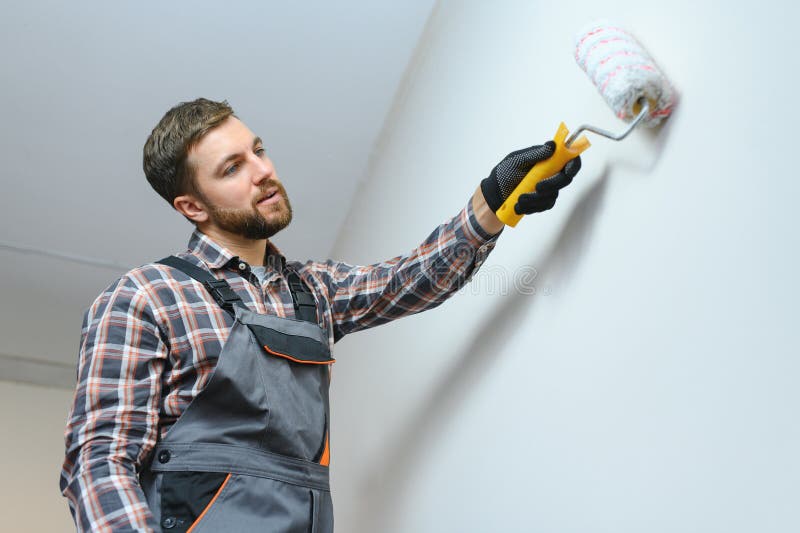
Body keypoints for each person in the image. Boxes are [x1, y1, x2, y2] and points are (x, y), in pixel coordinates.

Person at [60, 98, 581, 532]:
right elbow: (98, 462)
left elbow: (410, 280)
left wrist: (495, 199)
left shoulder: (314, 290)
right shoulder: (145, 296)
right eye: (232, 168)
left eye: (258, 150)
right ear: (192, 207)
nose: (264, 172)